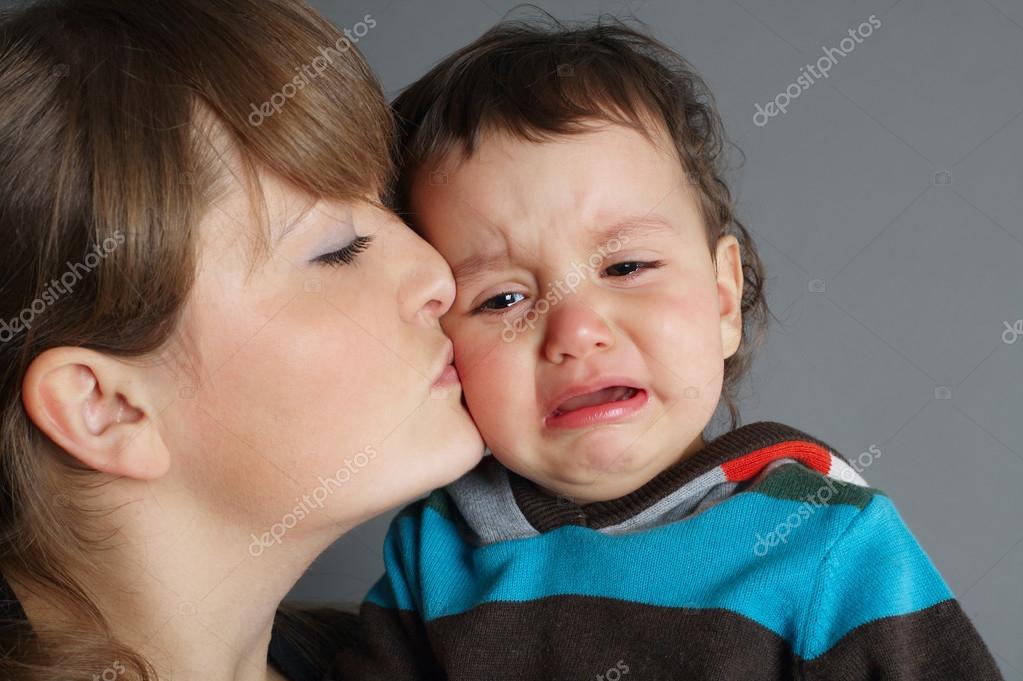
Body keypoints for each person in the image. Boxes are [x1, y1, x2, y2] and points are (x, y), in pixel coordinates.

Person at [337, 17, 1005, 680]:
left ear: (720, 300)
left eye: (625, 267)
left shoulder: (823, 541)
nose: (575, 332)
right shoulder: (436, 552)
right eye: (502, 300)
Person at [0, 1, 482, 680]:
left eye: (389, 204)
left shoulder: (407, 657)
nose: (437, 272)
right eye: (337, 251)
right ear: (105, 407)